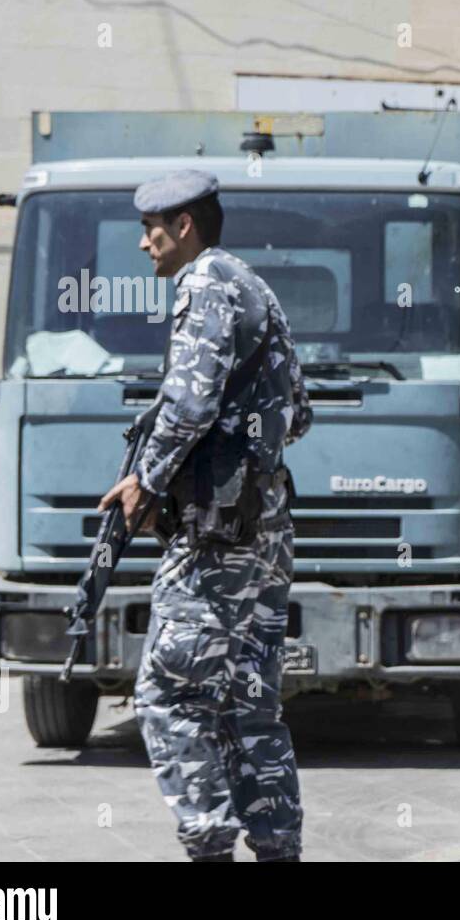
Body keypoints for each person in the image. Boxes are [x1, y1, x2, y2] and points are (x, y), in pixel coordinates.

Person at [97, 169, 312, 862]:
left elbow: (189, 404)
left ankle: (210, 847)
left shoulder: (205, 284)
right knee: (250, 703)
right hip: (266, 531)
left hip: (218, 537)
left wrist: (145, 479)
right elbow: (299, 414)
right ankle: (278, 848)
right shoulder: (253, 286)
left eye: (150, 229)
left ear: (183, 225)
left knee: (170, 694)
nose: (142, 245)